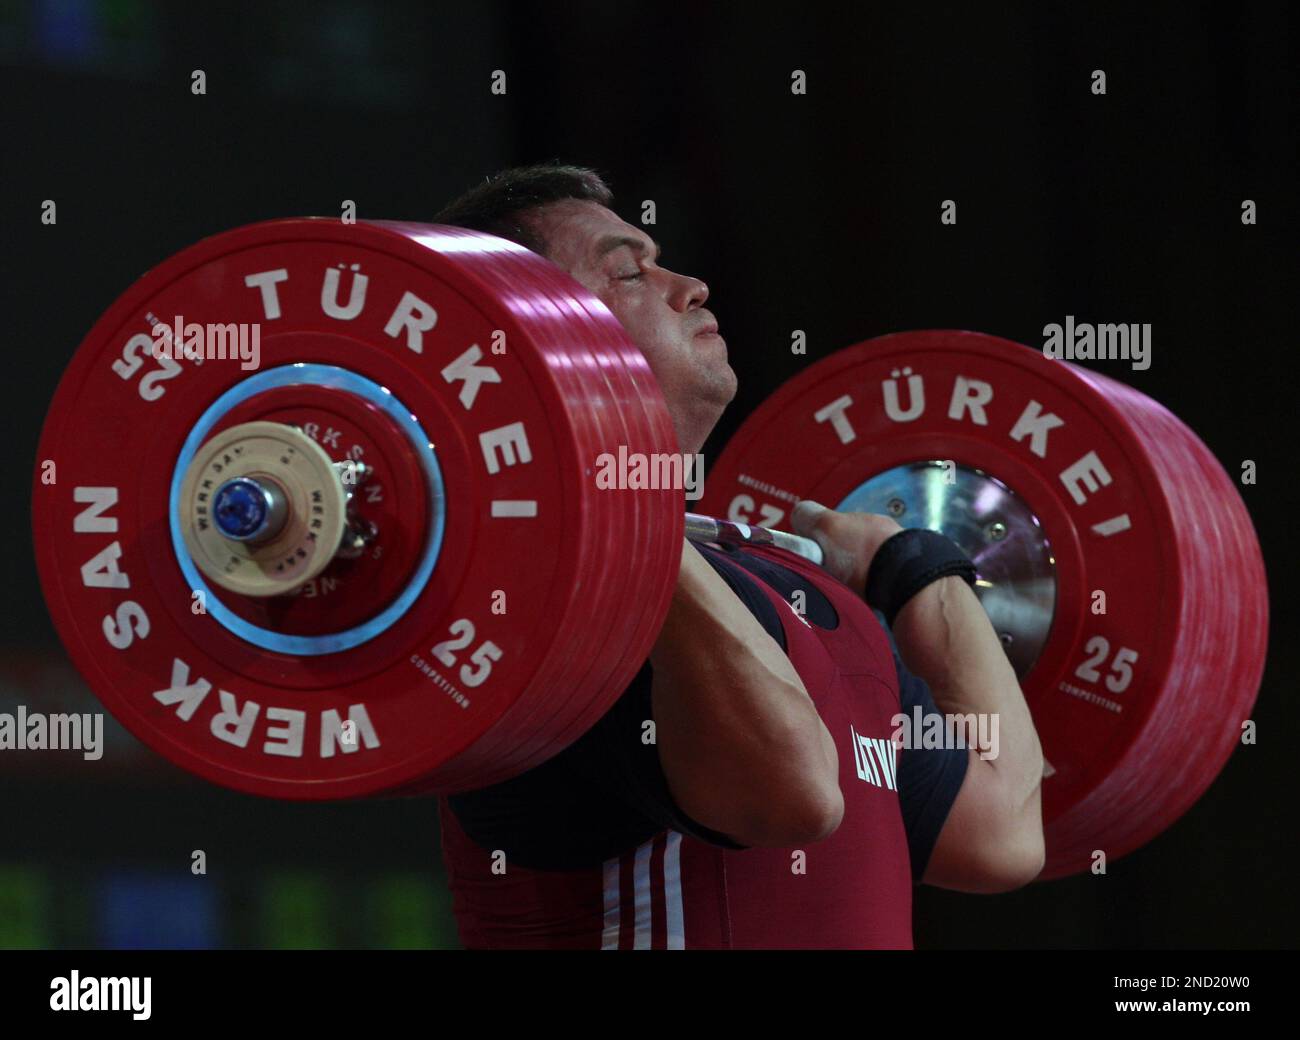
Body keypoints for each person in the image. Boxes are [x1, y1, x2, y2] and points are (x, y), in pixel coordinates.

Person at [430, 164, 1045, 949]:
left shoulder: (792, 585)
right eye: (629, 274)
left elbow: (1000, 834)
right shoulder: (541, 608)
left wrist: (917, 570)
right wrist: (587, 474)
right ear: (533, 335)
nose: (690, 287)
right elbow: (792, 798)